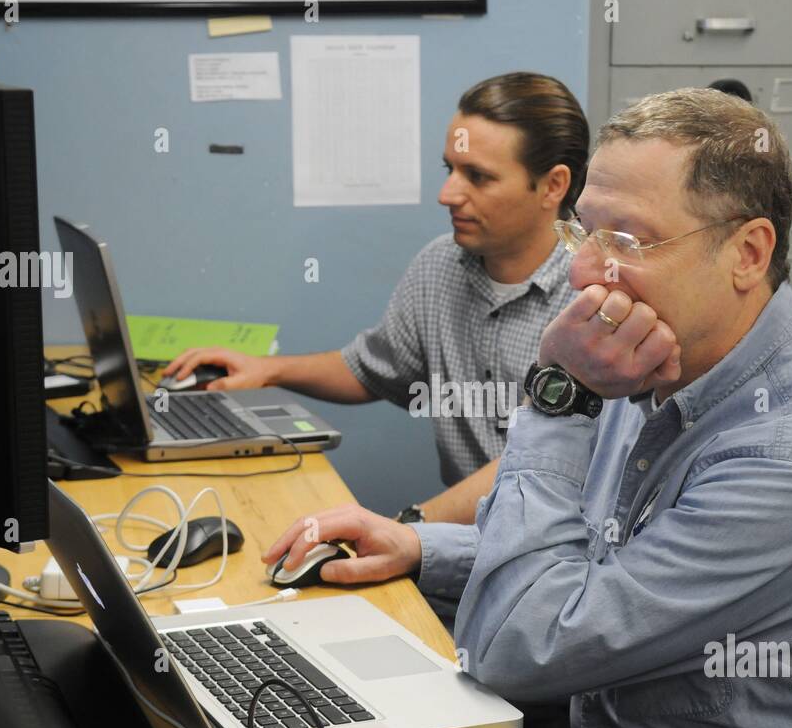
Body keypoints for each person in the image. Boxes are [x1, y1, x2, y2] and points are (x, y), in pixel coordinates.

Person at [263, 88, 792, 728]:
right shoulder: (661, 355)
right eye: (583, 233)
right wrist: (422, 547)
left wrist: (560, 399)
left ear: (748, 253)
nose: (587, 272)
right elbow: (606, 560)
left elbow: (517, 647)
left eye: (626, 241)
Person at [165, 72, 588, 526]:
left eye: (478, 177)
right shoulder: (440, 266)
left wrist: (407, 529)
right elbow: (373, 369)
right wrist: (268, 370)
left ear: (553, 186)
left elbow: (538, 460)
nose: (448, 194)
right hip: (459, 546)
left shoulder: (595, 299)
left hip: (555, 554)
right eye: (450, 169)